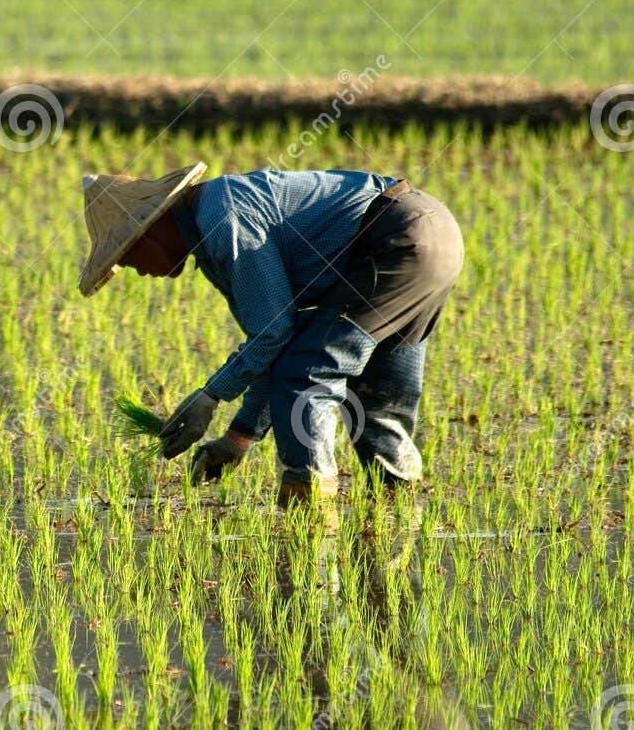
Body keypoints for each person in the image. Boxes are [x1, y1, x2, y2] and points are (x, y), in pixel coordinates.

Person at [78, 164, 463, 503]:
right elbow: (275, 342)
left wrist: (211, 395)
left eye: (125, 255)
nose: (133, 269)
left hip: (396, 242)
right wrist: (238, 439)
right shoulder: (213, 225)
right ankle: (402, 511)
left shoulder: (222, 219)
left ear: (149, 231)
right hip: (435, 234)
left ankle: (310, 514)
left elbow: (274, 335)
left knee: (307, 374)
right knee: (377, 402)